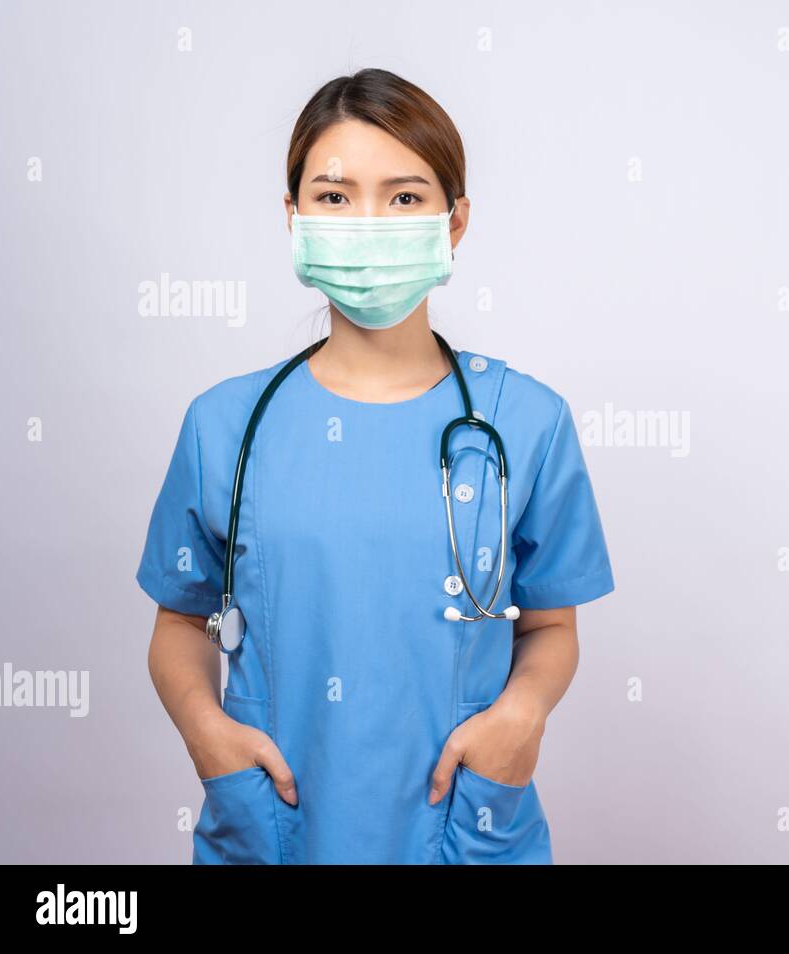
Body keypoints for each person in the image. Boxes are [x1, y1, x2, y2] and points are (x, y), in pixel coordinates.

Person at [135, 68, 615, 864]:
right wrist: (206, 733)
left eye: (403, 197)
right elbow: (180, 620)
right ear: (292, 218)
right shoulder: (225, 425)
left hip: (464, 826)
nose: (368, 222)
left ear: (454, 222)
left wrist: (521, 717)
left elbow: (552, 626)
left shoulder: (525, 422)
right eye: (333, 197)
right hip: (278, 828)